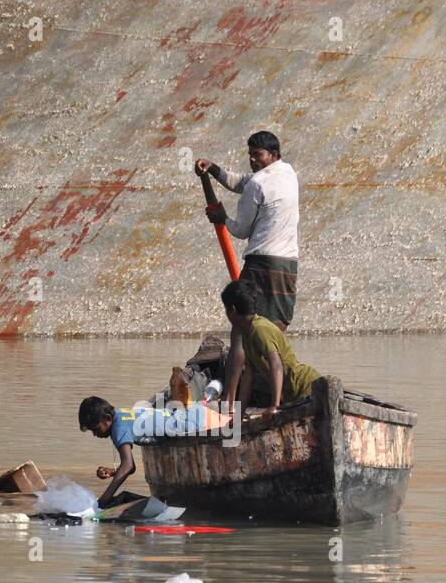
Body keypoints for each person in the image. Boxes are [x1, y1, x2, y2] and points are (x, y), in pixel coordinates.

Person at [195, 131, 299, 407]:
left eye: (258, 155)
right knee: (272, 329)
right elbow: (241, 182)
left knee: (241, 329)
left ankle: (230, 398)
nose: (253, 159)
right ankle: (269, 394)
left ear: (273, 155)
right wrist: (214, 169)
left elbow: (240, 230)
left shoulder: (258, 184)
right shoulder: (288, 173)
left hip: (261, 262)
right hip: (288, 265)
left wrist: (221, 218)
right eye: (250, 154)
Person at [78, 396, 224, 507]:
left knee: (234, 422)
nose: (95, 434)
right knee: (233, 420)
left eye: (96, 429)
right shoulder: (122, 416)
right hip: (198, 415)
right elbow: (130, 467)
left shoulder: (118, 428)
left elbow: (127, 466)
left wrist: (103, 500)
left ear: (107, 419)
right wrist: (113, 472)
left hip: (200, 424)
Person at [220, 278, 321, 418]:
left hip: (305, 387)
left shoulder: (260, 329)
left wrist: (274, 406)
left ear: (233, 310)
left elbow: (276, 365)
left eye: (226, 309)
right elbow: (248, 377)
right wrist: (239, 415)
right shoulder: (248, 334)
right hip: (293, 396)